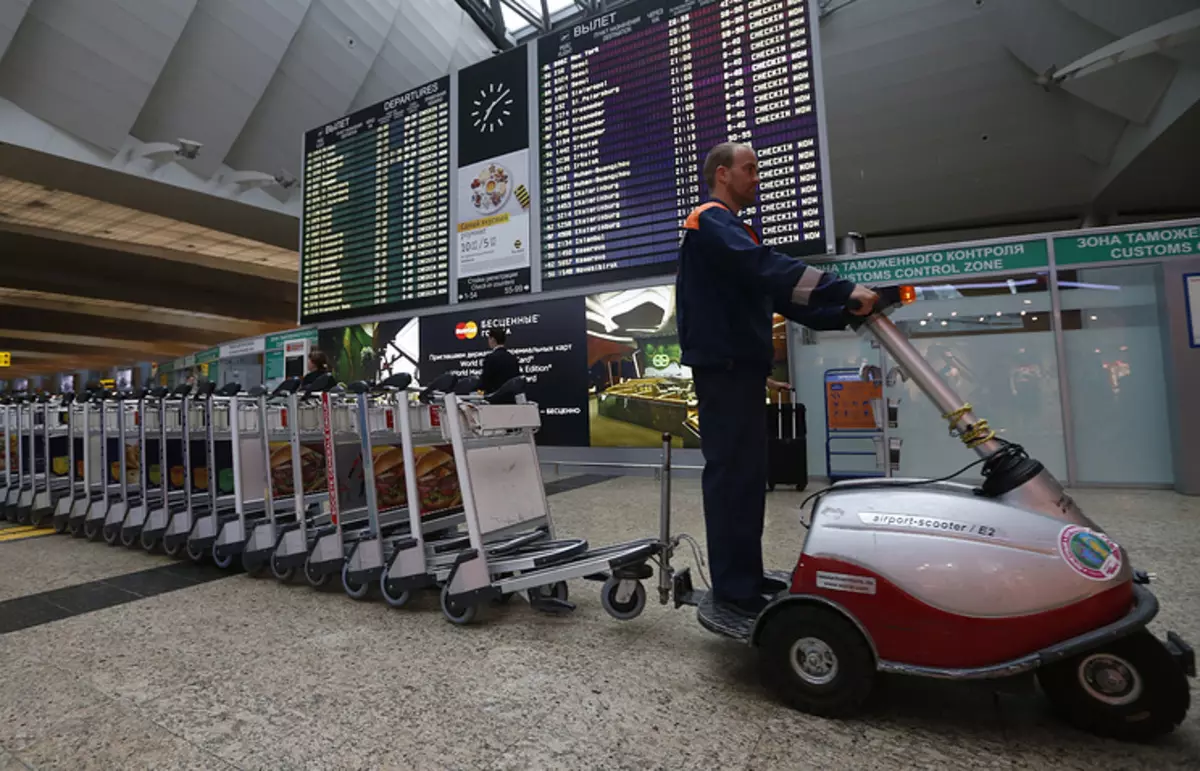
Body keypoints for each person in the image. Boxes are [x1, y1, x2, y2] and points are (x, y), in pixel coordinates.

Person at [676, 141, 879, 619]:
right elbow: (766, 267)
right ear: (722, 174)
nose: (757, 177)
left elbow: (783, 300)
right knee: (732, 480)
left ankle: (745, 575)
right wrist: (845, 287)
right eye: (749, 169)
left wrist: (845, 313)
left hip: (741, 371)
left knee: (747, 480)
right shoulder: (708, 220)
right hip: (724, 370)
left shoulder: (733, 232)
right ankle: (732, 587)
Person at [478, 328, 519, 402]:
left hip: (494, 402)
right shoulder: (512, 358)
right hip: (511, 402)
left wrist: (478, 394)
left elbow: (485, 383)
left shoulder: (490, 358)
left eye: (489, 339)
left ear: (492, 339)